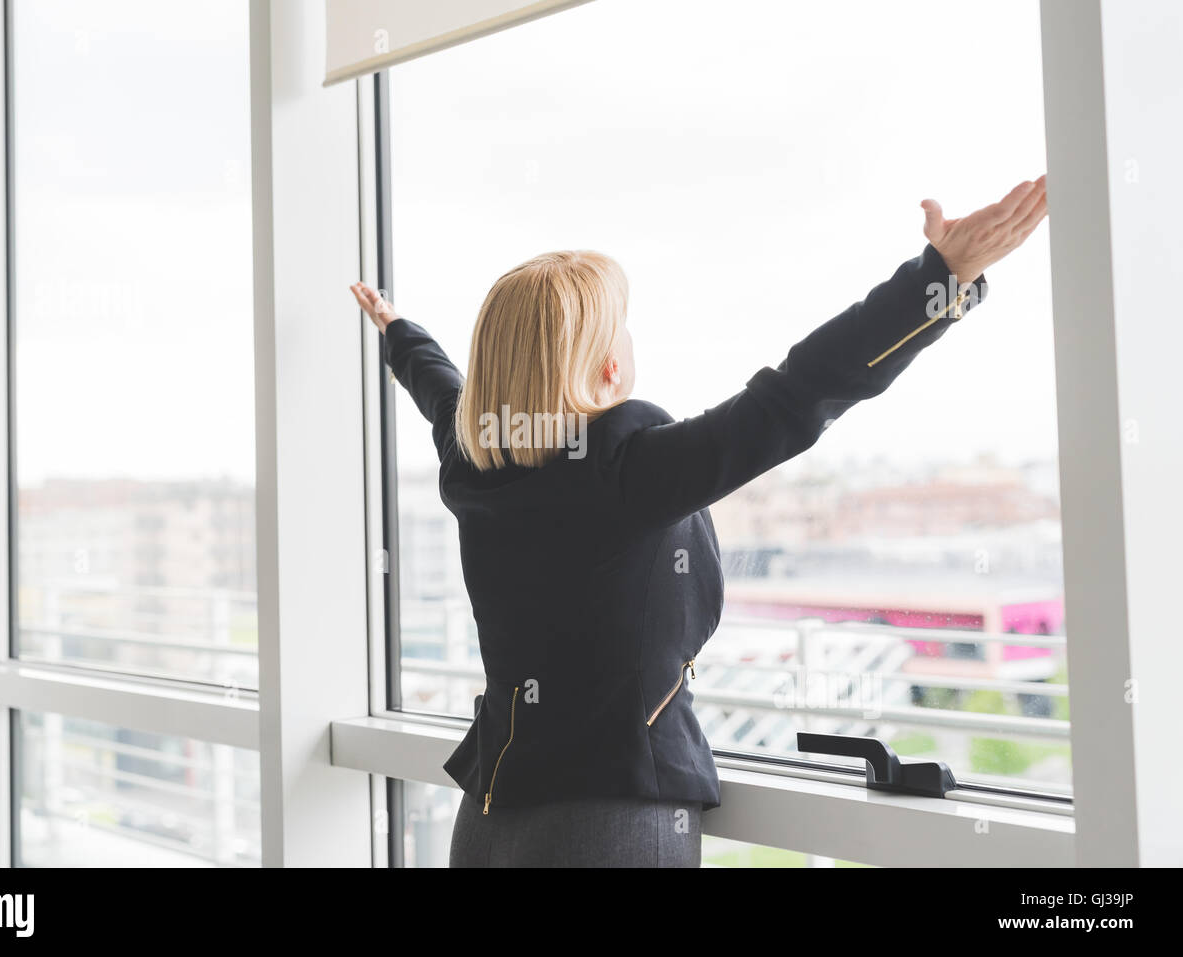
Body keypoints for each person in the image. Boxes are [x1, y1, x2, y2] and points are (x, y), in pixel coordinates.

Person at [350, 176, 1048, 868]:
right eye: (621, 329)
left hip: (487, 818)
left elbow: (439, 387)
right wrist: (944, 276)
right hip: (609, 823)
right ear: (605, 370)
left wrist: (396, 330)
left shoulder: (473, 462)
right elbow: (798, 394)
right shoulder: (629, 473)